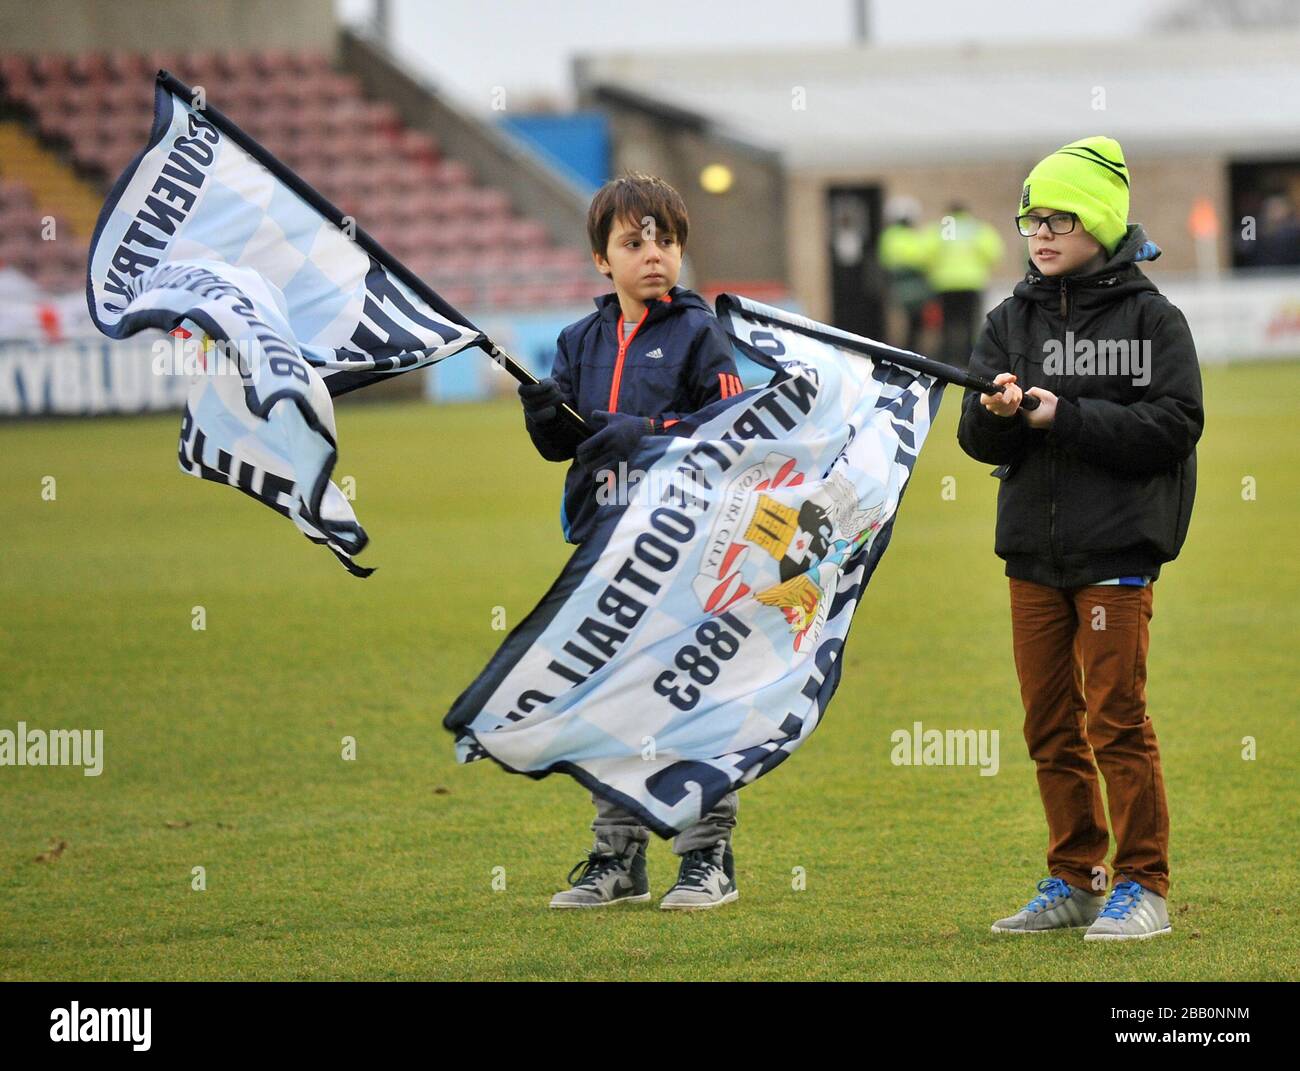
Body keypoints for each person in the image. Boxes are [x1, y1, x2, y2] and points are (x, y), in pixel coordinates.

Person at [956, 137, 1203, 940]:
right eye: (1032, 217)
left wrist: (1062, 414)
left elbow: (1172, 425)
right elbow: (977, 442)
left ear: (1100, 222)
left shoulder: (1152, 317)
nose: (1042, 232)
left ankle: (1145, 883)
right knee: (1049, 723)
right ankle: (1076, 876)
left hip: (1115, 556)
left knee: (1115, 720)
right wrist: (995, 416)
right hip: (1033, 555)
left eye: (1060, 217)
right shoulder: (1008, 319)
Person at [517, 172, 745, 911]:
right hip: (599, 549)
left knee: (690, 701)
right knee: (610, 702)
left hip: (684, 549)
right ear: (600, 260)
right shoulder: (577, 340)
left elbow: (733, 432)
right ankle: (617, 857)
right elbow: (566, 446)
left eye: (667, 240)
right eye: (634, 241)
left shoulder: (699, 333)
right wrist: (545, 416)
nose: (654, 254)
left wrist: (646, 434)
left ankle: (708, 855)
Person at [921, 202, 1004, 369]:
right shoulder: (976, 228)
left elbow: (925, 253)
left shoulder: (941, 228)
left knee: (946, 325)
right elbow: (993, 252)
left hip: (944, 283)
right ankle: (969, 359)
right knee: (970, 324)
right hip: (971, 282)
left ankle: (946, 359)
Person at [877, 195, 931, 353]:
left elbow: (886, 259)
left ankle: (909, 350)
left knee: (911, 323)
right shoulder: (912, 235)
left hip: (902, 285)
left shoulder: (889, 236)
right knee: (911, 323)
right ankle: (910, 350)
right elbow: (922, 257)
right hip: (910, 283)